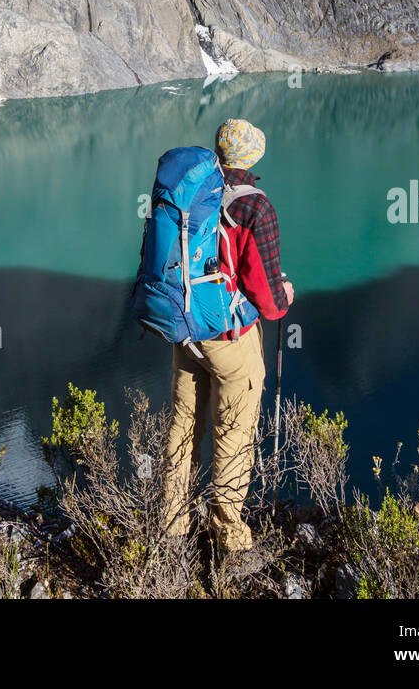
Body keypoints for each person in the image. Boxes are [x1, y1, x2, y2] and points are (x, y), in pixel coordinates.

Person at [164, 118, 294, 552]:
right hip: (229, 338)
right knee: (233, 431)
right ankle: (229, 536)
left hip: (185, 329)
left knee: (184, 426)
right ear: (253, 157)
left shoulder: (192, 191)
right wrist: (286, 295)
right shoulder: (256, 206)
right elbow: (268, 298)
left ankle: (172, 526)